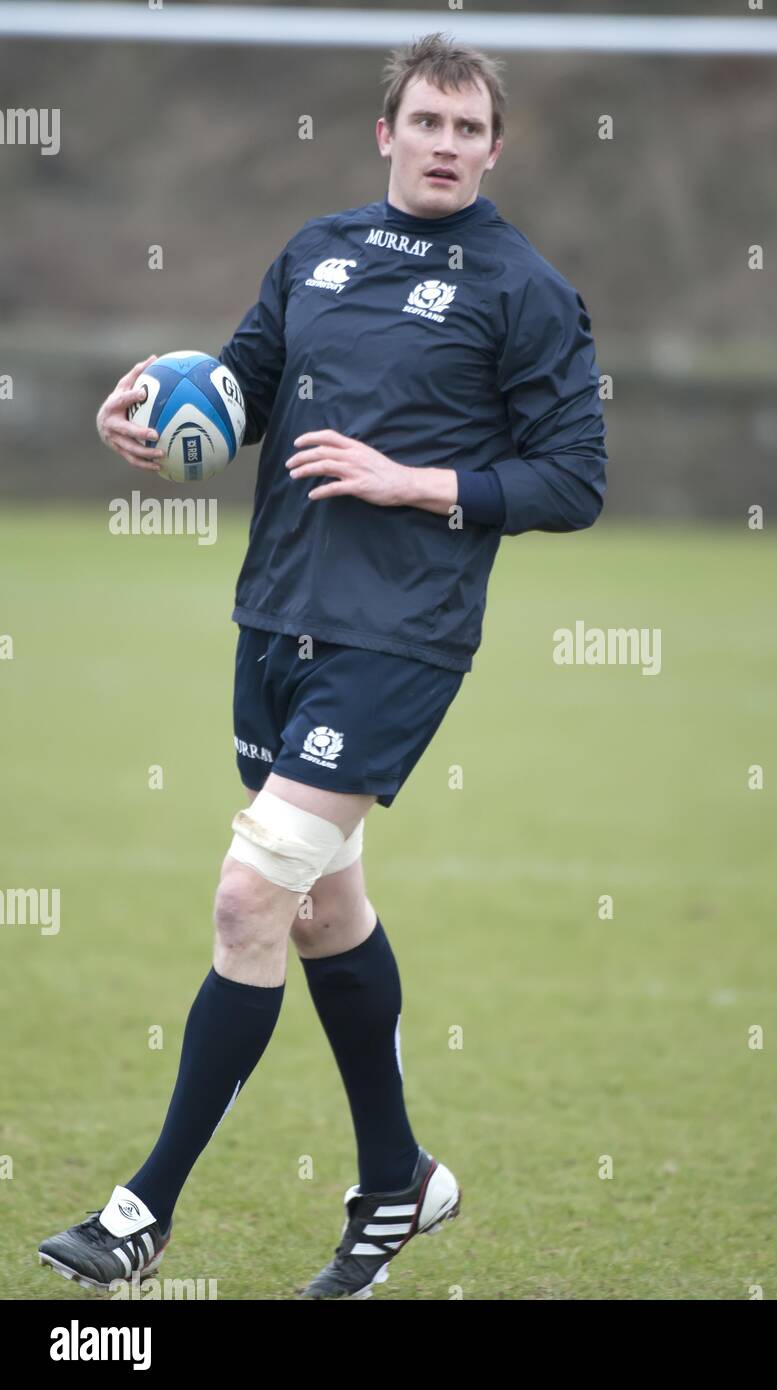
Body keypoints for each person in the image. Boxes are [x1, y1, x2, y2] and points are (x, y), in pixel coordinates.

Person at [38, 32, 606, 1301]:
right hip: (273, 616)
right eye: (428, 123)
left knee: (249, 898)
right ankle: (400, 1179)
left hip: (398, 637)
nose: (448, 145)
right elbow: (240, 388)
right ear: (386, 132)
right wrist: (151, 421)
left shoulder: (526, 291)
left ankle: (142, 1213)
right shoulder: (316, 250)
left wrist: (415, 483)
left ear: (496, 148)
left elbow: (575, 480)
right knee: (318, 909)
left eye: (471, 129)